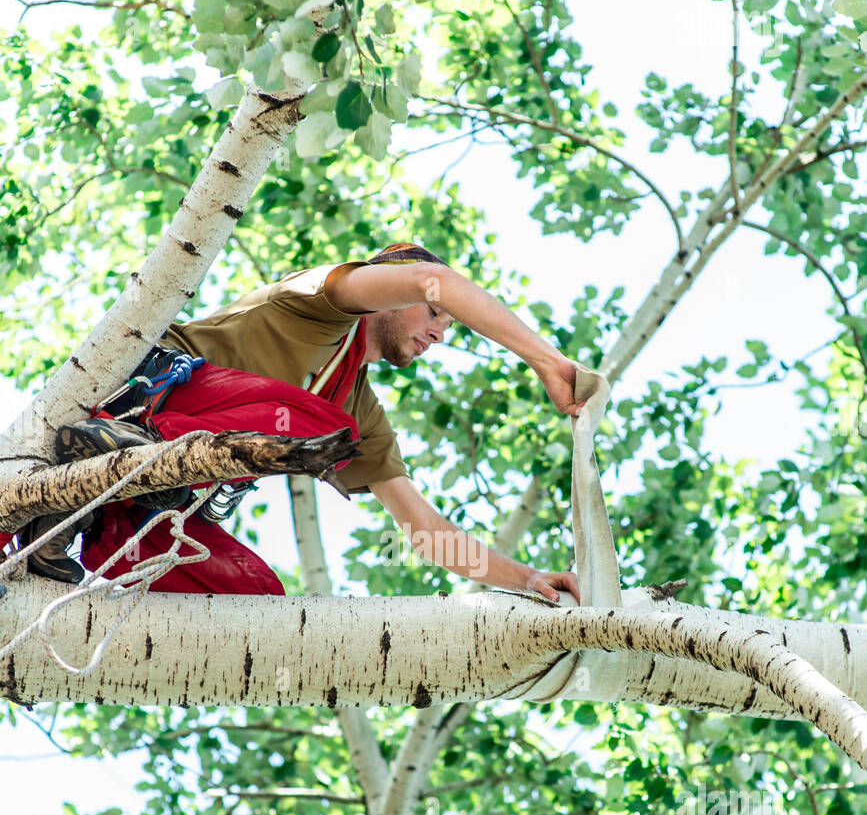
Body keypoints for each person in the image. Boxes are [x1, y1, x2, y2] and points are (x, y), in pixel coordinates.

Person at [28, 242, 585, 602]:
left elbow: (427, 534)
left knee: (258, 603)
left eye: (447, 325)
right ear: (385, 282)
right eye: (438, 315)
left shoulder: (360, 410)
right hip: (146, 407)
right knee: (323, 426)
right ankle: (121, 447)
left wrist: (528, 580)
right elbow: (426, 279)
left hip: (152, 502)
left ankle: (63, 533)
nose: (440, 331)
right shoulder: (320, 300)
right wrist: (547, 361)